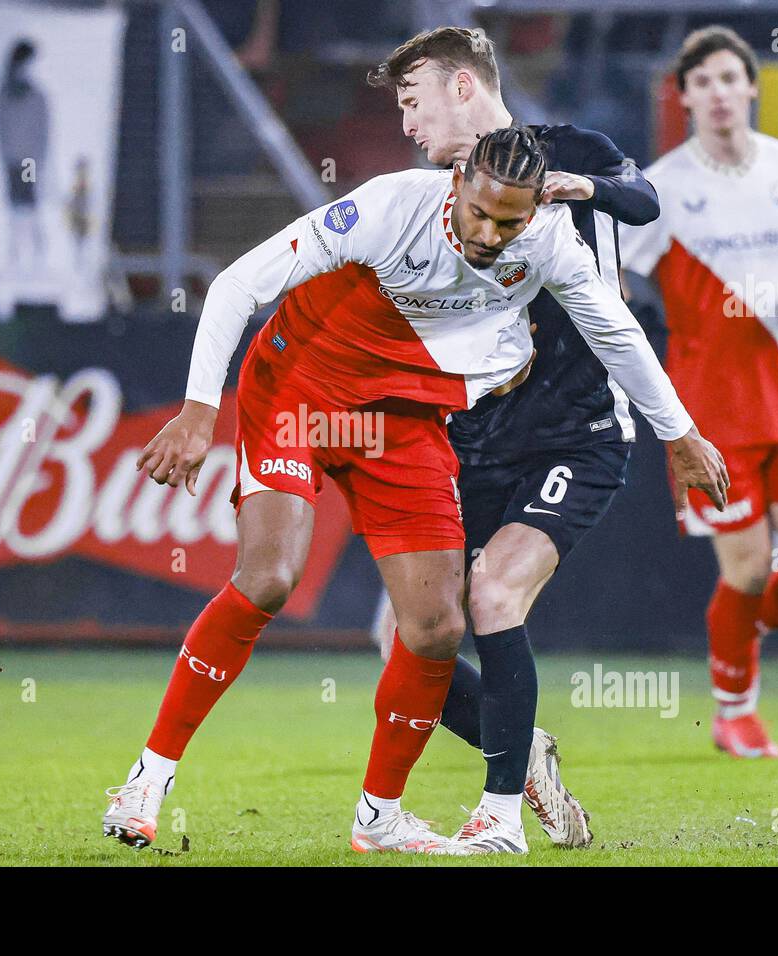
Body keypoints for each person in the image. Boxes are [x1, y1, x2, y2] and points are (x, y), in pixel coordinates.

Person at [103, 126, 723, 855]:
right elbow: (241, 282)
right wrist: (200, 410)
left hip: (402, 420)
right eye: (482, 213)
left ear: (537, 208)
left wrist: (679, 434)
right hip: (300, 395)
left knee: (434, 627)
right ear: (458, 184)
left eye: (511, 220)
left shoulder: (550, 239)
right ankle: (148, 779)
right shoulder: (391, 206)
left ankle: (380, 816)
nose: (493, 234)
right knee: (270, 577)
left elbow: (617, 331)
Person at [366, 26, 726, 853]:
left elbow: (641, 199)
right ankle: (527, 754)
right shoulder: (436, 194)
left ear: (464, 87)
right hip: (473, 433)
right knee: (411, 640)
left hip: (579, 431)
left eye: (414, 102)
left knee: (493, 594)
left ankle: (498, 819)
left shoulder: (570, 150)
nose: (408, 126)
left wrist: (580, 187)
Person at [619, 26, 778, 759]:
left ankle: (736, 633)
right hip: (710, 414)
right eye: (702, 83)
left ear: (751, 86)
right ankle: (734, 710)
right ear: (683, 97)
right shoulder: (663, 187)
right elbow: (608, 272)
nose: (718, 93)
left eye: (728, 78)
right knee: (745, 568)